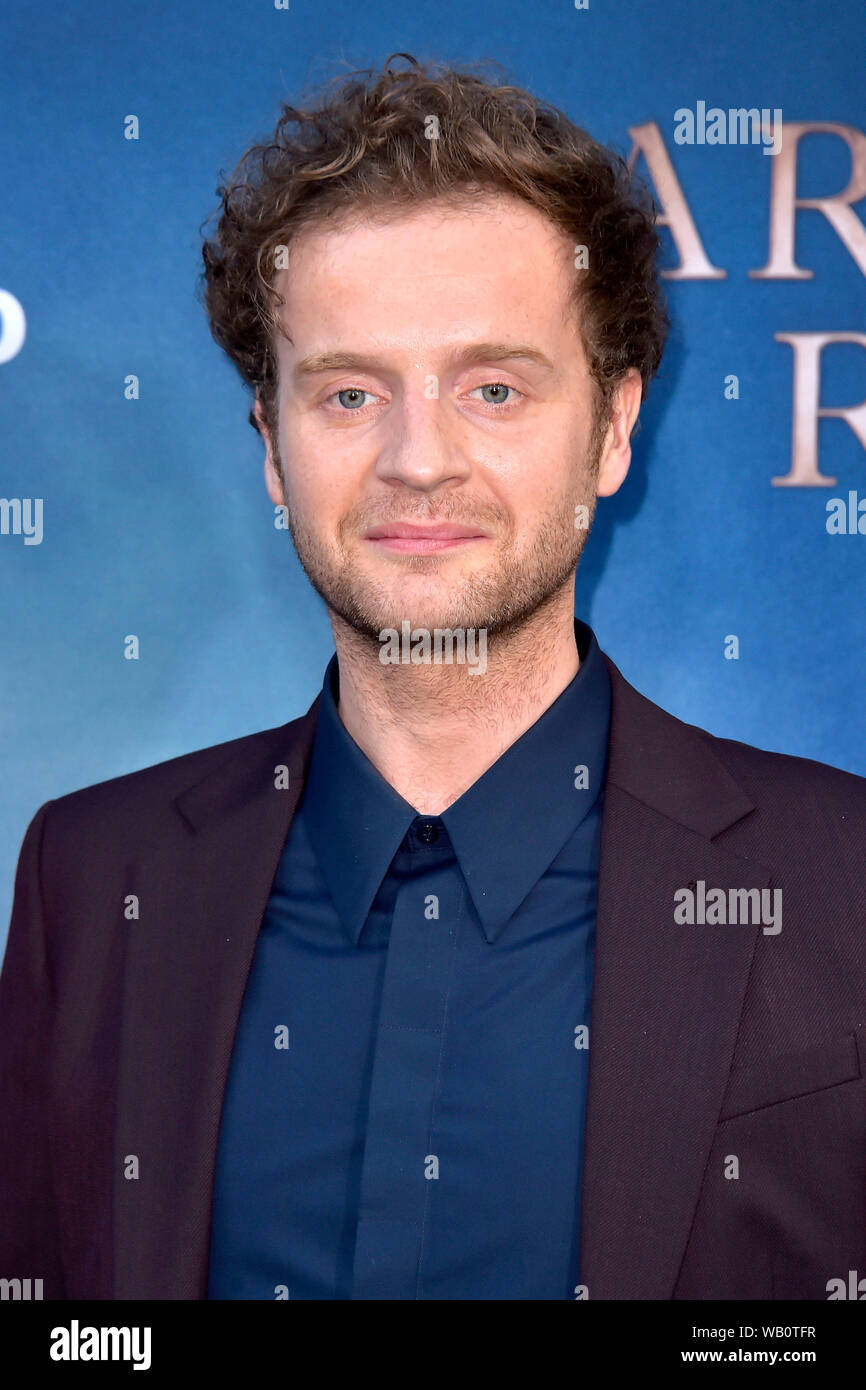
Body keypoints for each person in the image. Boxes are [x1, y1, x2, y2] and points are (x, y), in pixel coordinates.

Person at [1, 54, 864, 1302]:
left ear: (613, 430)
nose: (418, 459)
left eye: (493, 388)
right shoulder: (91, 883)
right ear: (271, 448)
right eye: (350, 392)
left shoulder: (837, 880)